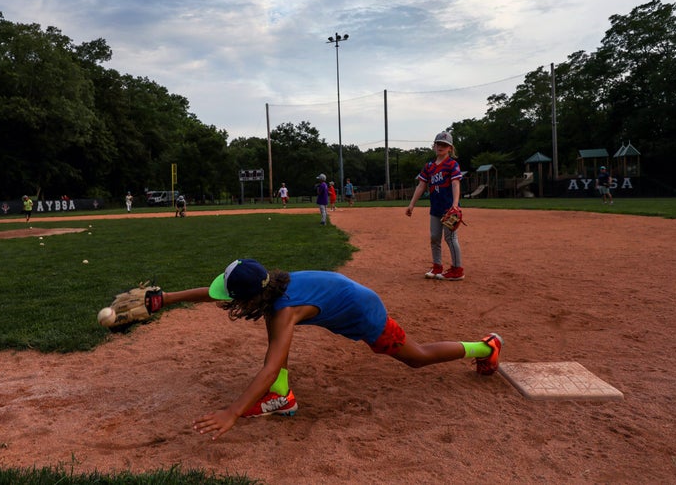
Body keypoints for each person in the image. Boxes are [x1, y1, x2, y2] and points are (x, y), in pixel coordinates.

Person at [143, 258, 503, 440]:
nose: (229, 301)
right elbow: (215, 295)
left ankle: (485, 347)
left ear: (251, 294)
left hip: (366, 313)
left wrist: (232, 412)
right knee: (273, 326)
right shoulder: (269, 288)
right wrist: (167, 298)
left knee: (416, 357)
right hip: (345, 295)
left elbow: (269, 367)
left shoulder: (284, 311)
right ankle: (282, 398)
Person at [405, 131, 465, 280]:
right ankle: (437, 266)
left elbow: (455, 184)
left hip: (449, 208)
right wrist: (411, 204)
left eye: (445, 144)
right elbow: (421, 186)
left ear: (450, 148)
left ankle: (457, 270)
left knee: (450, 238)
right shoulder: (429, 167)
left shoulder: (452, 164)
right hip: (435, 208)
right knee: (434, 238)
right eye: (438, 143)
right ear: (434, 145)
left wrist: (455, 205)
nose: (441, 146)